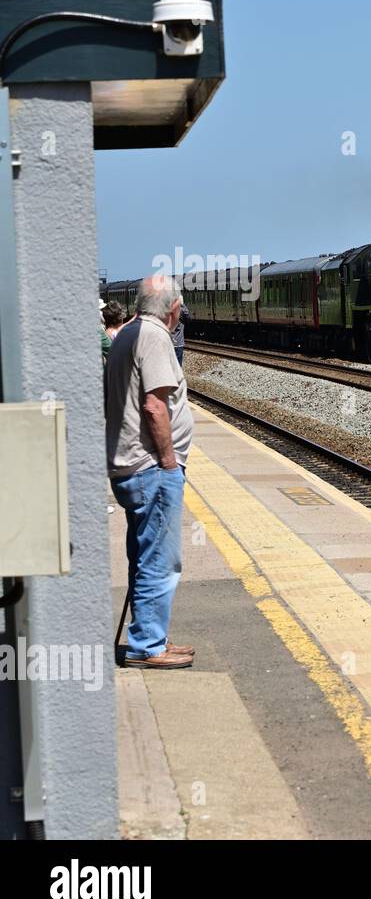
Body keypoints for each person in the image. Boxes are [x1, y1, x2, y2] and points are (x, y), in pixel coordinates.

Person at [105, 274, 195, 669]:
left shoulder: (127, 333)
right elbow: (155, 406)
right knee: (160, 558)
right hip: (150, 467)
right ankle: (147, 645)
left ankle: (151, 634)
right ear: (173, 308)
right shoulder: (156, 337)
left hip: (129, 465)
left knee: (145, 555)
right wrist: (169, 461)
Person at [171, 296, 190, 366]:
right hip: (178, 343)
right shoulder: (181, 312)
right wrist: (182, 305)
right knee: (178, 366)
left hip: (169, 344)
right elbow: (188, 317)